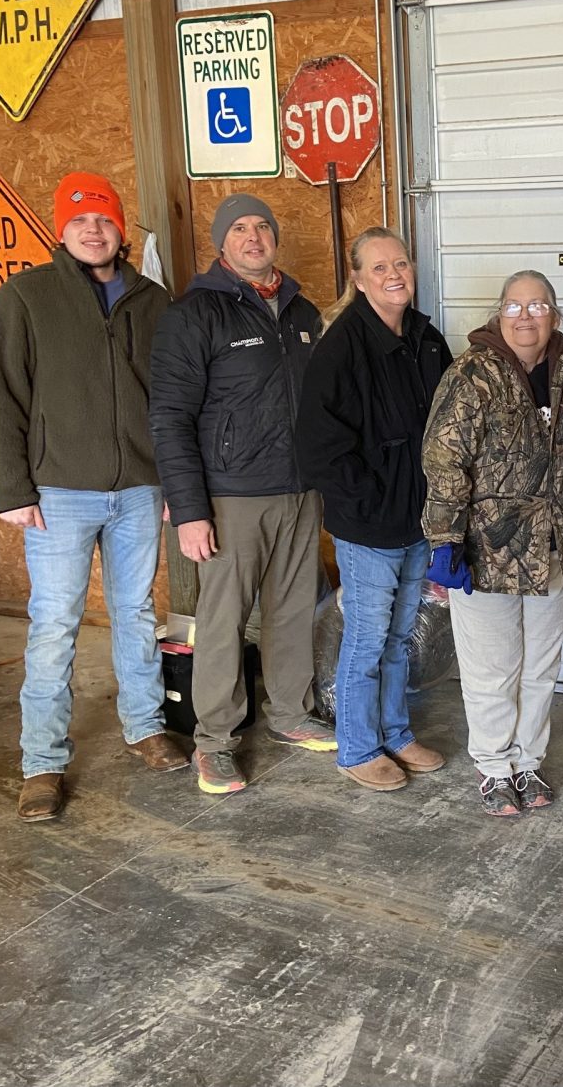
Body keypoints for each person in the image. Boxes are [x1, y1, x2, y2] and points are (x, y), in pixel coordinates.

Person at [0, 171, 187, 822]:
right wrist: (12, 486)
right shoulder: (27, 297)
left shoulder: (153, 302)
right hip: (59, 492)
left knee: (133, 611)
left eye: (104, 218)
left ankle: (146, 725)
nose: (93, 229)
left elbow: (175, 401)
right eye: (80, 219)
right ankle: (41, 762)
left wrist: (176, 482)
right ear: (60, 229)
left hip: (138, 488)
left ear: (120, 229)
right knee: (55, 623)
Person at [150, 194, 335, 796]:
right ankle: (215, 741)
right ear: (220, 242)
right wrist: (190, 509)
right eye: (239, 228)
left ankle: (288, 714)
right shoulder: (195, 314)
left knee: (290, 611)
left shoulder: (302, 311)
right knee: (223, 620)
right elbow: (170, 417)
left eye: (262, 226)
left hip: (298, 491)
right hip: (231, 497)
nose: (253, 236)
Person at [421, 271, 563, 816]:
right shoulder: (471, 372)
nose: (525, 316)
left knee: (541, 665)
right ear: (499, 313)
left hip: (555, 549)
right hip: (485, 551)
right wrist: (445, 540)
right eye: (514, 306)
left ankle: (529, 761)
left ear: (554, 314)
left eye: (537, 306)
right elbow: (444, 458)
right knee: (493, 669)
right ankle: (494, 768)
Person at [295, 227, 452, 792]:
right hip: (369, 527)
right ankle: (358, 747)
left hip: (418, 521)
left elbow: (448, 429)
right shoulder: (341, 347)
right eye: (380, 267)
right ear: (358, 279)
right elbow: (317, 446)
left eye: (402, 263)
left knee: (399, 635)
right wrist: (367, 500)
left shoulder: (427, 338)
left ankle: (395, 732)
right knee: (366, 639)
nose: (395, 274)